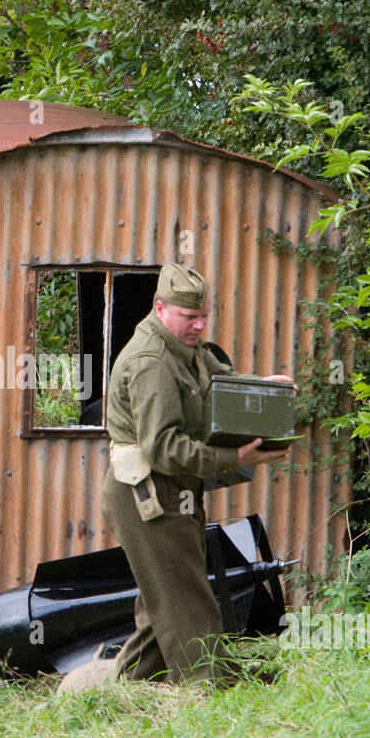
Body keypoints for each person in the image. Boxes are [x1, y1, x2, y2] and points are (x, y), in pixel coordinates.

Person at [100, 263, 293, 685]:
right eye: (189, 317)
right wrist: (236, 457)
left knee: (163, 601)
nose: (199, 325)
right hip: (145, 493)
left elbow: (220, 383)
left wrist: (265, 387)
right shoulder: (152, 361)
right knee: (186, 597)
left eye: (203, 314)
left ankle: (129, 691)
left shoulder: (185, 348)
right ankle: (210, 689)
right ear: (160, 308)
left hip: (171, 488)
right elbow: (164, 447)